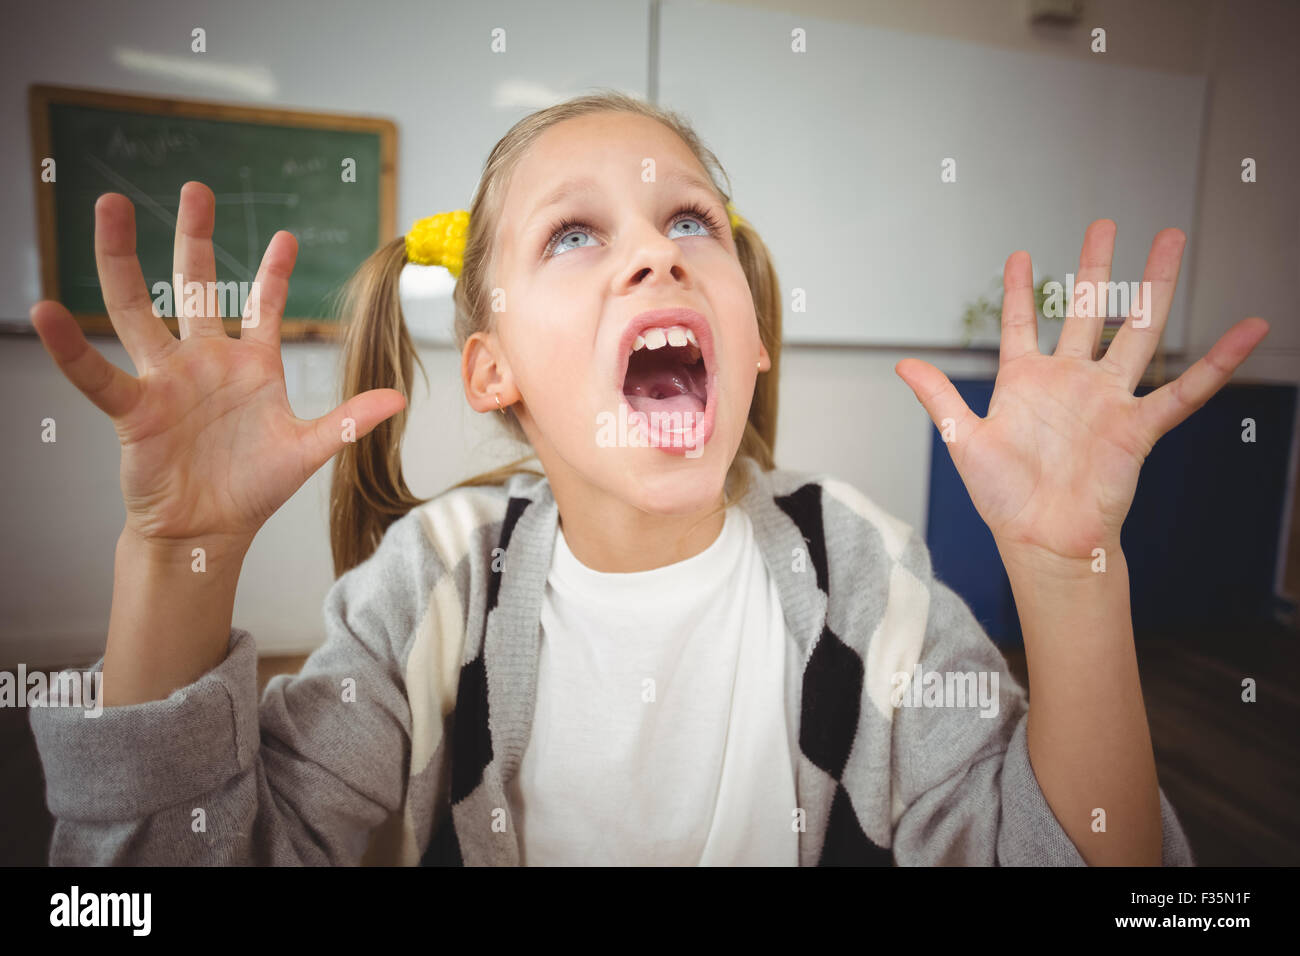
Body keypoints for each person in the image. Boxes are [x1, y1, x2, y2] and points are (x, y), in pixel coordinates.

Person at [27, 90, 1268, 866]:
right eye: (576, 234)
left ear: (753, 329)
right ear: (493, 364)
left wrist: (1069, 574)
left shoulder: (861, 570)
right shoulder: (433, 587)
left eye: (691, 225)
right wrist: (172, 555)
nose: (654, 262)